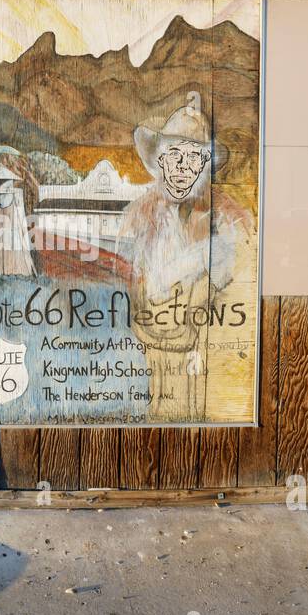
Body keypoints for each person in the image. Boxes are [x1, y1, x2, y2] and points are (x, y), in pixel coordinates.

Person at [119, 106, 249, 422]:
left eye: (193, 158)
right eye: (174, 155)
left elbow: (237, 284)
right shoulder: (138, 214)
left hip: (213, 355)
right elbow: (131, 286)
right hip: (156, 351)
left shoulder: (228, 214)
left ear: (205, 163)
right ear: (160, 160)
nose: (182, 167)